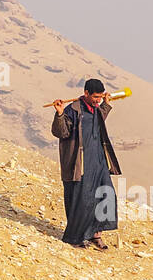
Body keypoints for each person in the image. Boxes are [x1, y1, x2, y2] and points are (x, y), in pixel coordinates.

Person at [51, 78, 123, 250]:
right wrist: (60, 113)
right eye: (95, 97)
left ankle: (95, 234)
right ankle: (74, 238)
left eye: (100, 97)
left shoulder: (96, 108)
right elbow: (61, 132)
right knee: (81, 199)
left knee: (106, 195)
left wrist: (105, 104)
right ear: (86, 93)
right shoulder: (73, 109)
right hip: (80, 163)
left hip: (98, 161)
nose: (98, 100)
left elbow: (99, 120)